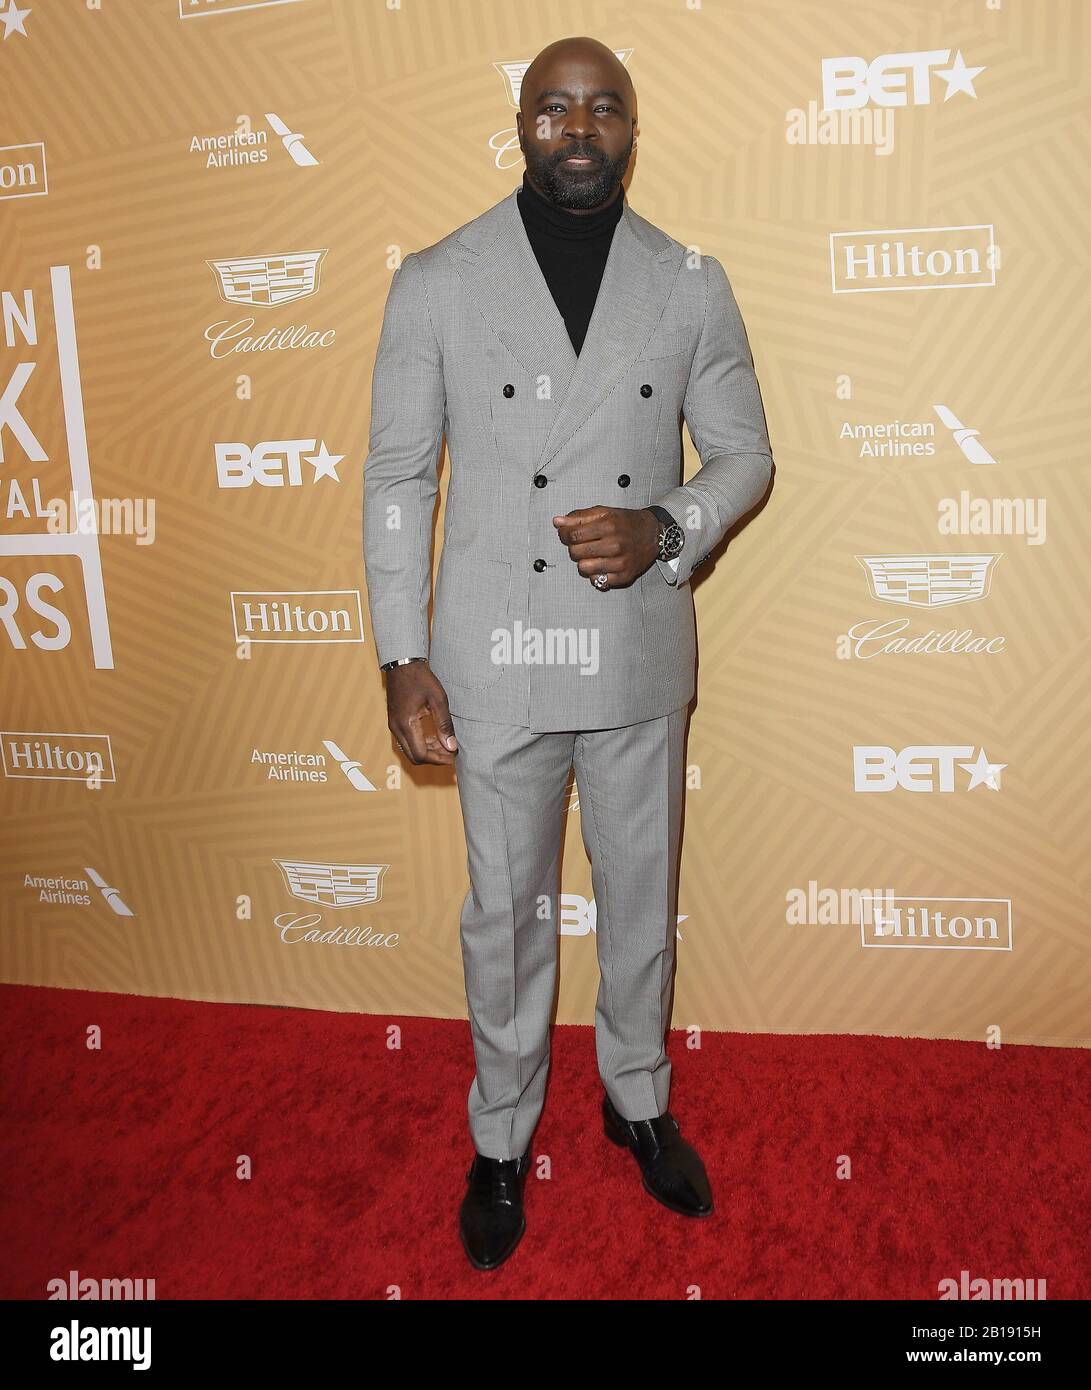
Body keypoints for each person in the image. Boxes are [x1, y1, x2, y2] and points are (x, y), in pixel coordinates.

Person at [363, 35, 773, 1270]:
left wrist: (667, 526)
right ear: (522, 126)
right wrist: (399, 652)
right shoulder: (436, 279)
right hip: (490, 657)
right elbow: (395, 476)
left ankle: (637, 1099)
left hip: (635, 647)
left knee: (639, 901)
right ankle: (499, 1135)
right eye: (553, 108)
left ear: (632, 130)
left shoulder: (689, 283)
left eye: (601, 108)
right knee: (507, 913)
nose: (577, 127)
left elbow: (745, 453)